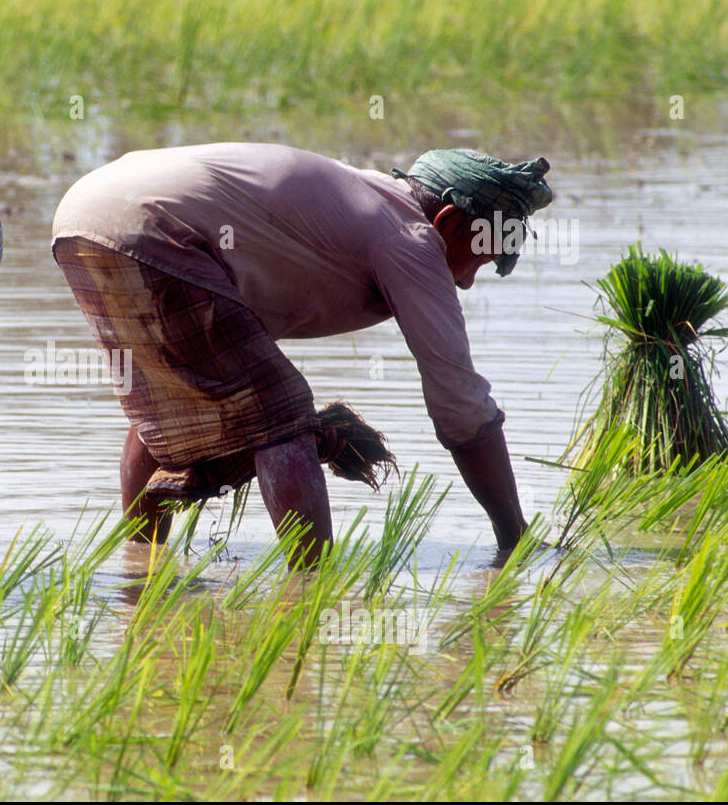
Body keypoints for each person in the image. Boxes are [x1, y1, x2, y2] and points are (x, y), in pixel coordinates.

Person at [51, 145, 554, 563]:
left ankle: (141, 564)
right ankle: (310, 589)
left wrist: (320, 440)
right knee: (284, 412)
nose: (465, 282)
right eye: (478, 260)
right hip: (154, 225)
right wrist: (514, 534)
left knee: (163, 398)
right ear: (447, 221)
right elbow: (460, 402)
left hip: (84, 213)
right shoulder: (410, 237)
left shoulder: (356, 200)